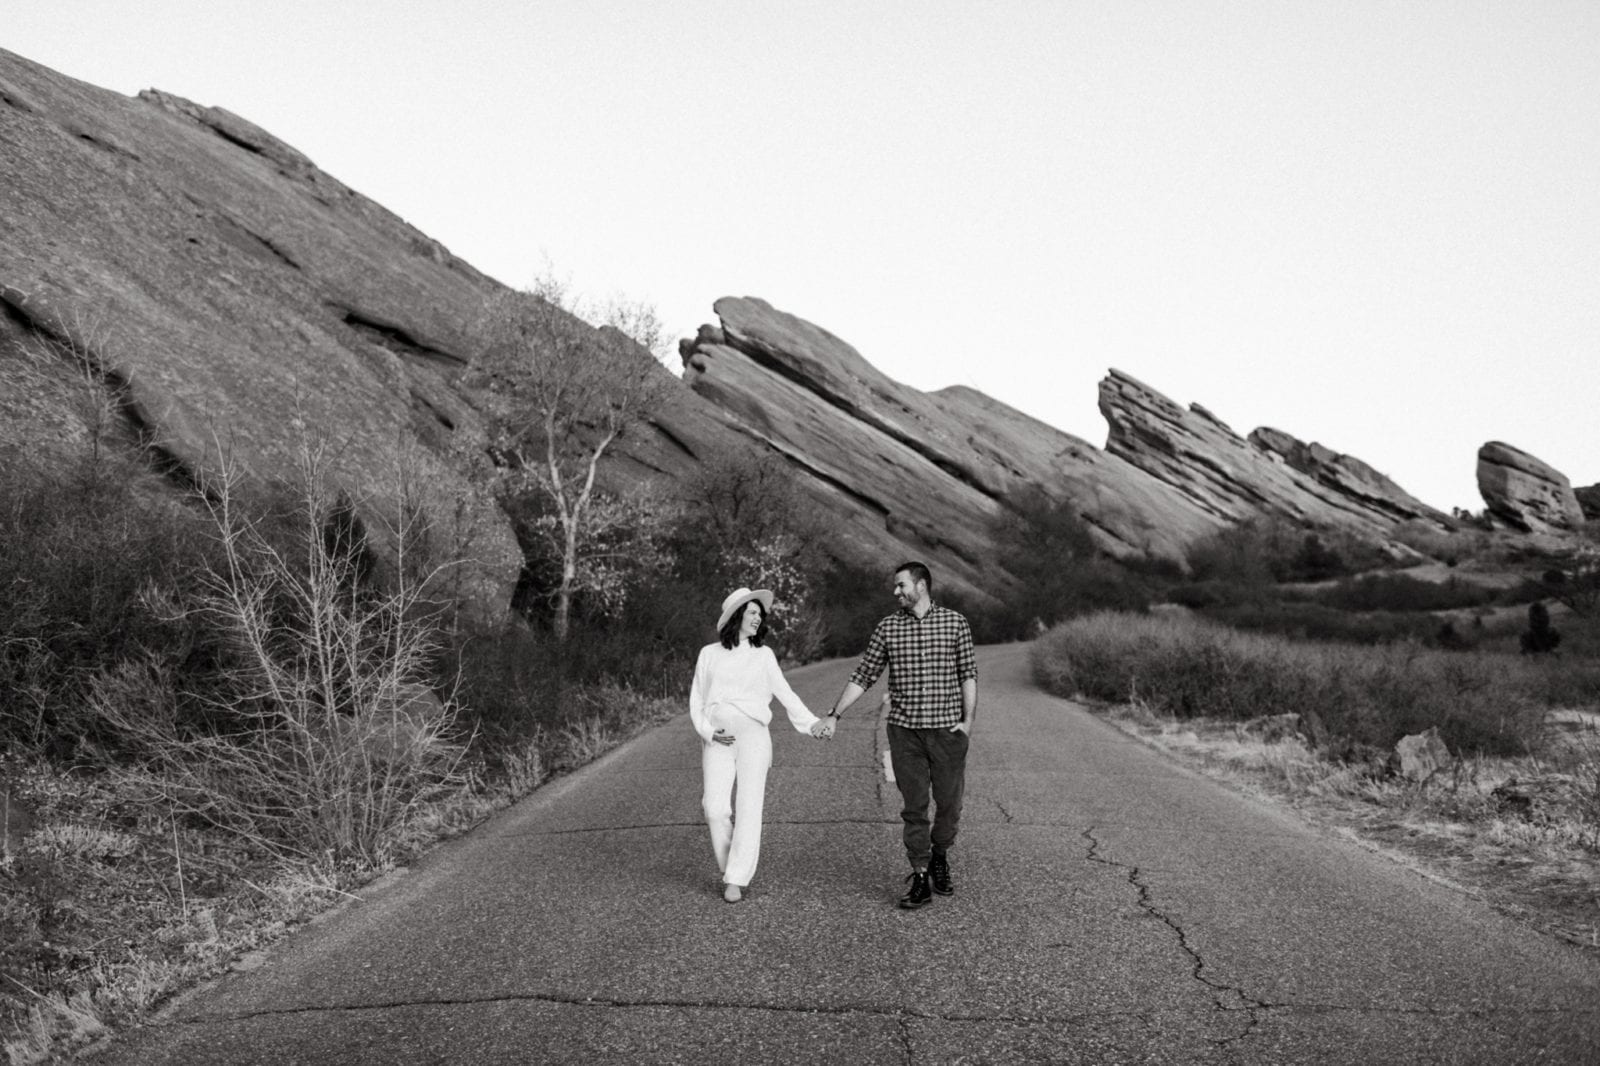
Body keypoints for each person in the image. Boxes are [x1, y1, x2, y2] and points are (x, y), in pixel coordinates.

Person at [816, 561, 977, 909]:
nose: (896, 592)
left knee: (950, 806)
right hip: (905, 734)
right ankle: (920, 874)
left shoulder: (955, 623)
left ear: (921, 585)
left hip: (947, 732)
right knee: (915, 807)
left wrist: (967, 722)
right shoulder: (888, 627)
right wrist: (834, 714)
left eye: (901, 585)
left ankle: (940, 856)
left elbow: (968, 674)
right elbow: (864, 675)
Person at [689, 587, 832, 903]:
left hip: (754, 737)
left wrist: (812, 724)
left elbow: (786, 694)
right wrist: (708, 732)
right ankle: (731, 867)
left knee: (749, 806)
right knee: (714, 807)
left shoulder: (763, 655)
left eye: (759, 614)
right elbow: (697, 700)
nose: (759, 617)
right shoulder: (708, 654)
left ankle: (736, 879)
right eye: (752, 612)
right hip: (718, 739)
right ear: (737, 615)